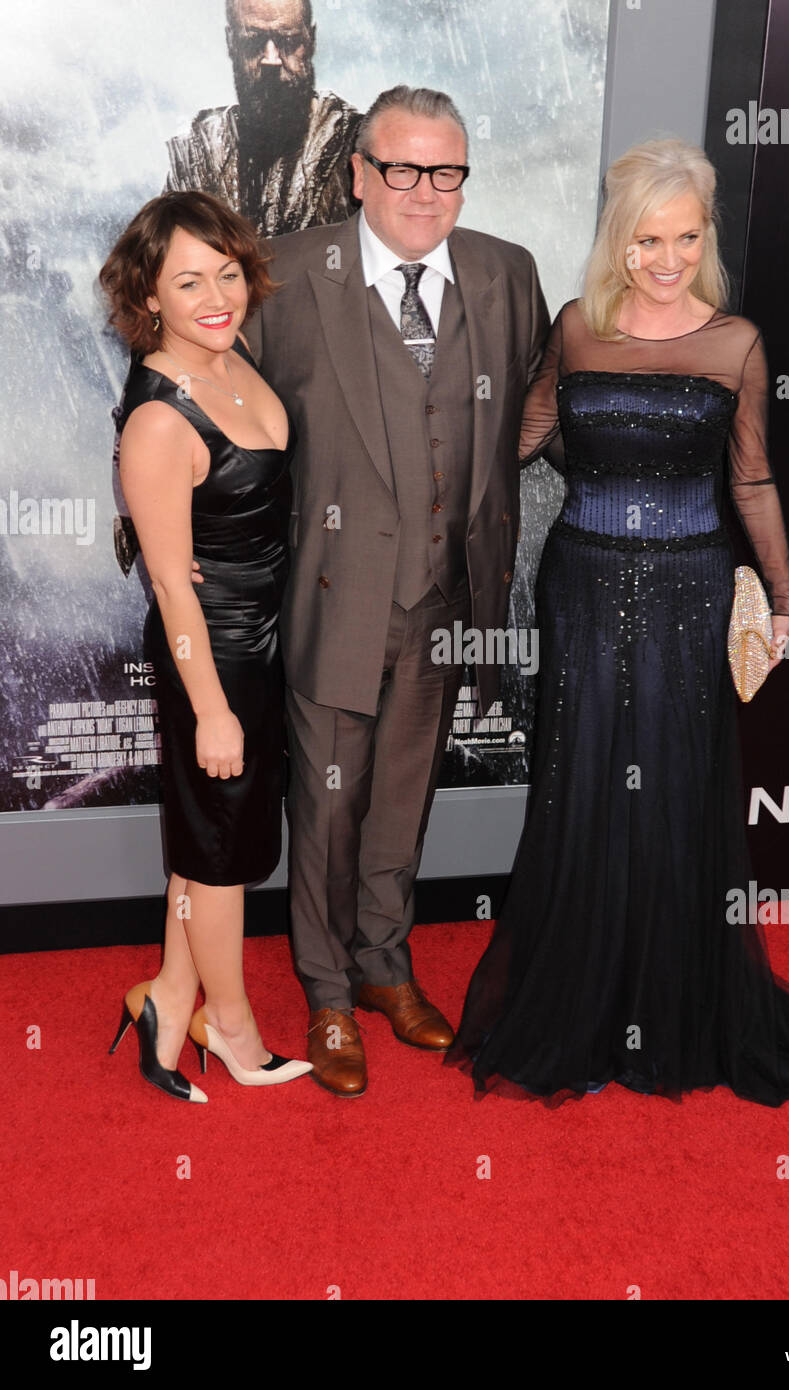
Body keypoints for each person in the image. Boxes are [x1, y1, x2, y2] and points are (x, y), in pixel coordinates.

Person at [447, 138, 789, 1107]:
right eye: (647, 239)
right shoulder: (577, 328)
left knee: (677, 789)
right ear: (617, 239)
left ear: (704, 236)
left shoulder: (735, 345)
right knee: (583, 783)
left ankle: (672, 1002)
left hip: (689, 593)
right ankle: (583, 1005)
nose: (667, 258)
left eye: (685, 237)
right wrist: (440, 471)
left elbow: (750, 478)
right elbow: (527, 434)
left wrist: (785, 592)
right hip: (584, 585)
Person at [243, 85, 550, 1097]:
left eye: (447, 171)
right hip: (333, 592)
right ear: (360, 172)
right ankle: (327, 991)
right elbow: (223, 422)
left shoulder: (506, 274)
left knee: (403, 794)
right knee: (326, 802)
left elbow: (527, 422)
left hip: (445, 598)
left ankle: (384, 965)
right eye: (404, 169)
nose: (426, 191)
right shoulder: (284, 278)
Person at [100, 191, 312, 1100]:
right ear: (149, 295)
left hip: (263, 647)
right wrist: (213, 709)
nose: (217, 295)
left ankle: (168, 996)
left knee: (202, 845)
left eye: (227, 272)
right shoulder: (157, 421)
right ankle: (230, 1030)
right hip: (212, 657)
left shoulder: (233, 359)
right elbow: (170, 583)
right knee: (221, 856)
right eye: (189, 281)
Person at [164, 0, 360, 238]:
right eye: (254, 42)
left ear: (311, 40)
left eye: (287, 41)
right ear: (231, 42)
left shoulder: (357, 147)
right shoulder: (199, 157)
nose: (271, 60)